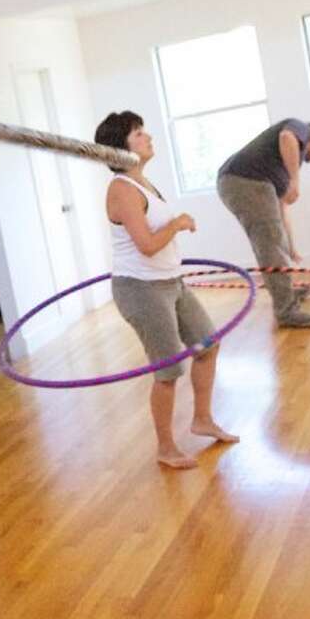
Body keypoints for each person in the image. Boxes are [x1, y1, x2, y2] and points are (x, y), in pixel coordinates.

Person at [94, 111, 238, 470]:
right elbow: (146, 244)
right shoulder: (122, 190)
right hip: (140, 290)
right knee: (169, 369)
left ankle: (202, 419)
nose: (148, 137)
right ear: (119, 149)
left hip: (171, 282)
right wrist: (177, 223)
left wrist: (174, 225)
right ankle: (165, 447)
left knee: (208, 343)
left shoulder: (143, 182)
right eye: (139, 134)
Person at [216, 118, 310, 328]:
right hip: (246, 182)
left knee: (274, 241)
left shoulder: (283, 163)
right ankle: (286, 310)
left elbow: (282, 209)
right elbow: (286, 136)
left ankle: (286, 294)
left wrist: (292, 246)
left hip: (243, 183)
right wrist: (296, 181)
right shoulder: (300, 129)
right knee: (270, 244)